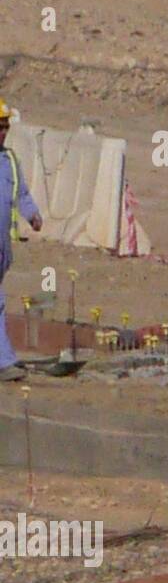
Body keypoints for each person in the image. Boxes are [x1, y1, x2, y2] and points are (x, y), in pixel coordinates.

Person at [0, 98, 43, 381]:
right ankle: (4, 361)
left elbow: (22, 193)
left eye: (4, 126)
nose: (2, 132)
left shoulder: (10, 160)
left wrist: (33, 215)